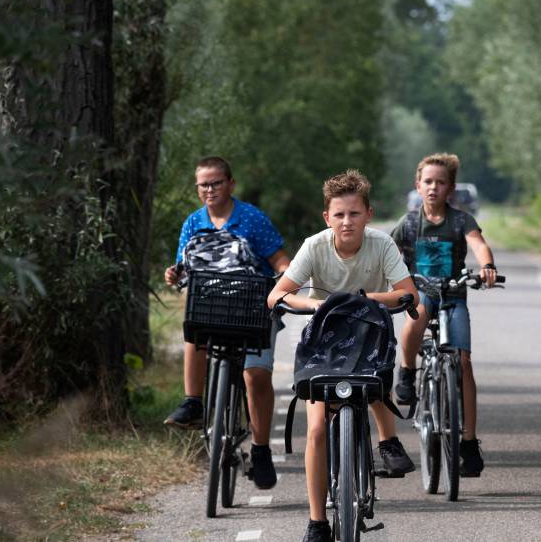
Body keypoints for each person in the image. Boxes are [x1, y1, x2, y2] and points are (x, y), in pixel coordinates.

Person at [266, 170, 418, 542]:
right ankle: (317, 521)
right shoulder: (314, 246)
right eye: (339, 214)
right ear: (327, 218)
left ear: (368, 214)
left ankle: (388, 441)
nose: (347, 221)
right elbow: (277, 295)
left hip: (369, 332)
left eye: (354, 213)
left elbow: (407, 293)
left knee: (376, 378)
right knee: (317, 428)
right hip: (325, 339)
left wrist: (362, 300)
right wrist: (315, 304)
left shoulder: (381, 244)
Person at [163, 156, 291, 491]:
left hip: (251, 307)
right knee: (193, 328)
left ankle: (260, 450)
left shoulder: (252, 218)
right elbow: (184, 267)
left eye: (216, 183)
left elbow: (280, 259)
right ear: (197, 188)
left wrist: (283, 279)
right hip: (212, 306)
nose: (210, 189)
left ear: (231, 184)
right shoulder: (193, 222)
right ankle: (193, 401)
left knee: (255, 374)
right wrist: (173, 275)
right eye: (203, 185)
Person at [390, 153, 497, 477]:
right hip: (421, 291)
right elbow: (388, 253)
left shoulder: (461, 220)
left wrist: (487, 266)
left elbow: (478, 244)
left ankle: (469, 442)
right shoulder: (409, 223)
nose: (433, 187)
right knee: (418, 313)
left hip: (453, 296)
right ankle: (407, 372)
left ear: (450, 188)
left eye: (440, 182)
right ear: (418, 186)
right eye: (428, 182)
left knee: (463, 363)